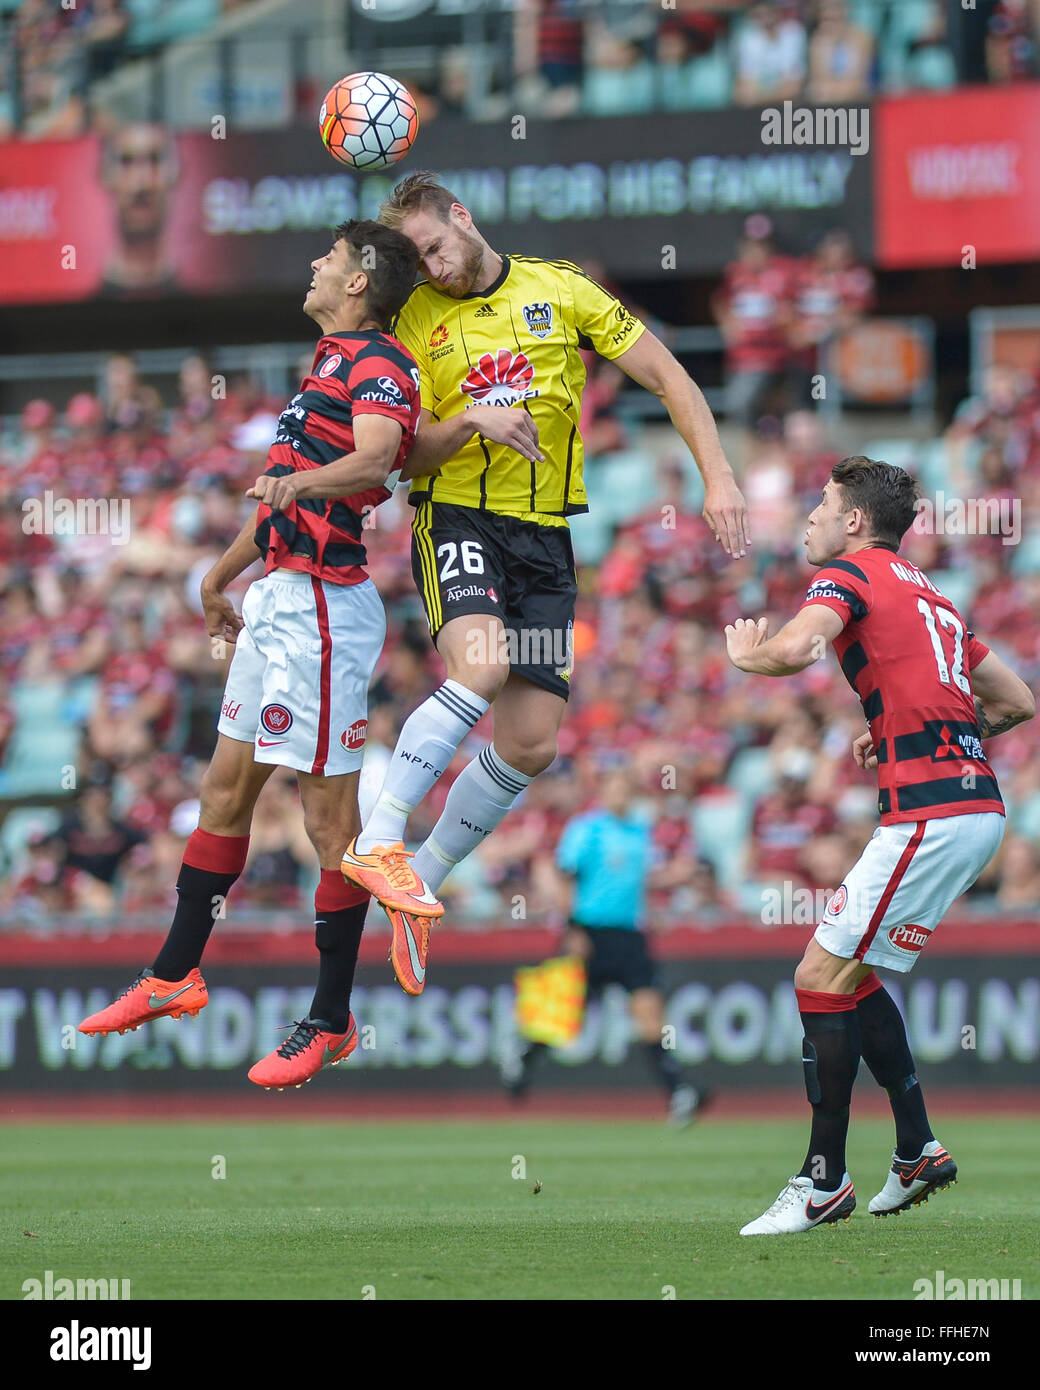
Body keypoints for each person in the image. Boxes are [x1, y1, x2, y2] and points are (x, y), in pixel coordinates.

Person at [335, 169, 748, 995]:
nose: (433, 268)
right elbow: (391, 455)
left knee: (529, 743)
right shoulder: (411, 320)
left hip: (545, 541)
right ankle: (378, 837)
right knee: (480, 668)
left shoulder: (561, 291)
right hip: (457, 516)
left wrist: (720, 479)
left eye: (434, 248)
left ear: (464, 215)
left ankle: (422, 885)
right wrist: (467, 423)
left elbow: (672, 379)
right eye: (415, 261)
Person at [79, 219, 424, 1090]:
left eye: (330, 258)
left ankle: (332, 1017)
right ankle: (172, 974)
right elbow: (276, 495)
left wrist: (299, 485)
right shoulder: (324, 369)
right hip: (276, 593)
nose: (314, 265)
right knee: (222, 789)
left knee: (327, 825)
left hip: (322, 605)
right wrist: (218, 577)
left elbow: (378, 461)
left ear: (359, 282)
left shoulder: (381, 363)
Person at [724, 456, 1034, 1235]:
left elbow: (795, 650)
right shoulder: (933, 594)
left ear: (855, 522)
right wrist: (915, 730)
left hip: (930, 813)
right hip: (972, 808)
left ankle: (821, 1181)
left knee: (818, 974)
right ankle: (917, 1147)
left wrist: (749, 656)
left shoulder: (849, 578)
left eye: (823, 503)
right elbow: (1018, 702)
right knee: (851, 976)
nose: (812, 515)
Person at [502, 766, 712, 1125]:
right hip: (589, 932)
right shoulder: (587, 829)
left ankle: (679, 1092)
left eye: (625, 788)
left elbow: (634, 879)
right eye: (614, 787)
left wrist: (668, 884)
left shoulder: (638, 831)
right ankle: (525, 1057)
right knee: (565, 1017)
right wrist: (573, 929)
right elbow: (566, 878)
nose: (620, 795)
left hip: (628, 934)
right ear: (603, 791)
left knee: (649, 1012)